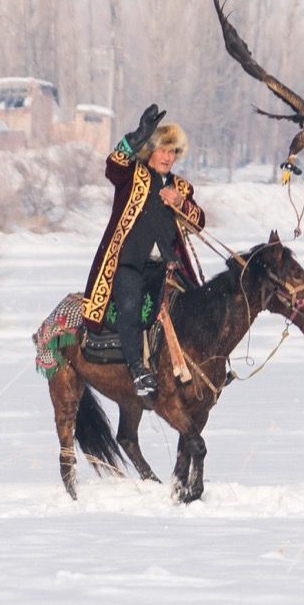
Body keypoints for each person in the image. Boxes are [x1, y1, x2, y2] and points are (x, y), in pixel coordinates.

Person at [79, 104, 205, 404]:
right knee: (130, 307)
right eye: (162, 149)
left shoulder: (181, 187)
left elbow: (199, 222)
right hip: (128, 263)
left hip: (167, 267)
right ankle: (138, 371)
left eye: (173, 152)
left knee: (199, 308)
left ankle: (203, 365)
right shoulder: (131, 175)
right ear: (150, 150)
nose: (167, 157)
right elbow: (113, 163)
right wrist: (137, 135)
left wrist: (180, 204)